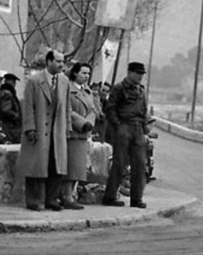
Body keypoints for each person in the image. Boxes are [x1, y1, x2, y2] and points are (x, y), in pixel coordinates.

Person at [15, 49, 70, 212]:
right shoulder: (34, 80)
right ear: (49, 62)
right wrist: (30, 128)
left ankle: (51, 199)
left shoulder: (64, 81)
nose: (61, 65)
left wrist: (67, 128)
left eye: (63, 62)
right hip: (39, 128)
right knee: (35, 166)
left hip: (56, 130)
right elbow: (28, 107)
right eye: (58, 61)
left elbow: (67, 108)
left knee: (55, 165)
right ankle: (34, 200)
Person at [102, 61, 150, 209]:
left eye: (141, 74)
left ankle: (136, 198)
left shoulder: (141, 91)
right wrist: (118, 127)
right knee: (119, 164)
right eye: (137, 73)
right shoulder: (119, 88)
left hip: (138, 129)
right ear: (129, 73)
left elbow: (144, 111)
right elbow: (110, 109)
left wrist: (144, 128)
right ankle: (109, 196)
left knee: (140, 165)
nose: (140, 77)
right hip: (124, 126)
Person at [61, 62, 97, 210]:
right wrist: (82, 123)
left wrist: (89, 122)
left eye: (88, 74)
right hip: (73, 132)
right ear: (75, 73)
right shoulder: (68, 89)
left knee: (79, 168)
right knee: (71, 167)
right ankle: (66, 195)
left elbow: (93, 110)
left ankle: (72, 194)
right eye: (83, 73)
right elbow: (66, 110)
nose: (86, 76)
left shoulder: (87, 91)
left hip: (84, 134)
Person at [0, 73, 23, 144]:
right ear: (12, 82)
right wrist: (16, 116)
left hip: (1, 128)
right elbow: (6, 110)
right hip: (8, 130)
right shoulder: (7, 93)